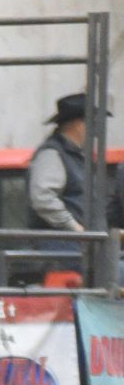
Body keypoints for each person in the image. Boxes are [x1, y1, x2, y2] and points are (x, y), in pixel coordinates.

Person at [28, 92, 123, 261]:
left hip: (74, 244)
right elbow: (43, 197)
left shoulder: (76, 157)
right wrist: (76, 228)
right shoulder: (52, 154)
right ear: (80, 124)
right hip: (61, 246)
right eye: (93, 123)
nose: (95, 131)